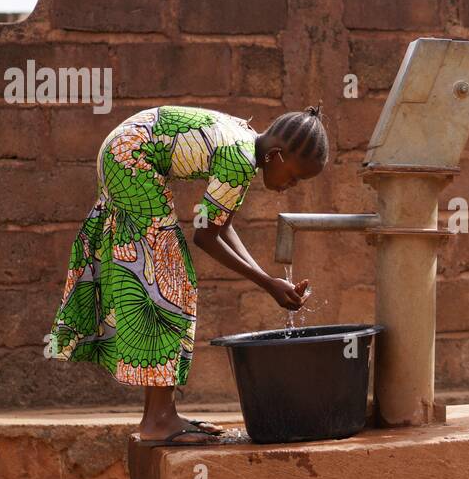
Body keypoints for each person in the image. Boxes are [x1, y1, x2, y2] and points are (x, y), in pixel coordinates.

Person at [50, 105, 327, 444]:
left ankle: (161, 415)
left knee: (164, 280)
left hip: (122, 149)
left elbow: (219, 227)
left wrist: (267, 278)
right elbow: (205, 236)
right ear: (275, 155)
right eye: (295, 176)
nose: (292, 185)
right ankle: (159, 420)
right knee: (167, 283)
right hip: (130, 157)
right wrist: (266, 283)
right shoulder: (239, 158)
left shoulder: (243, 145)